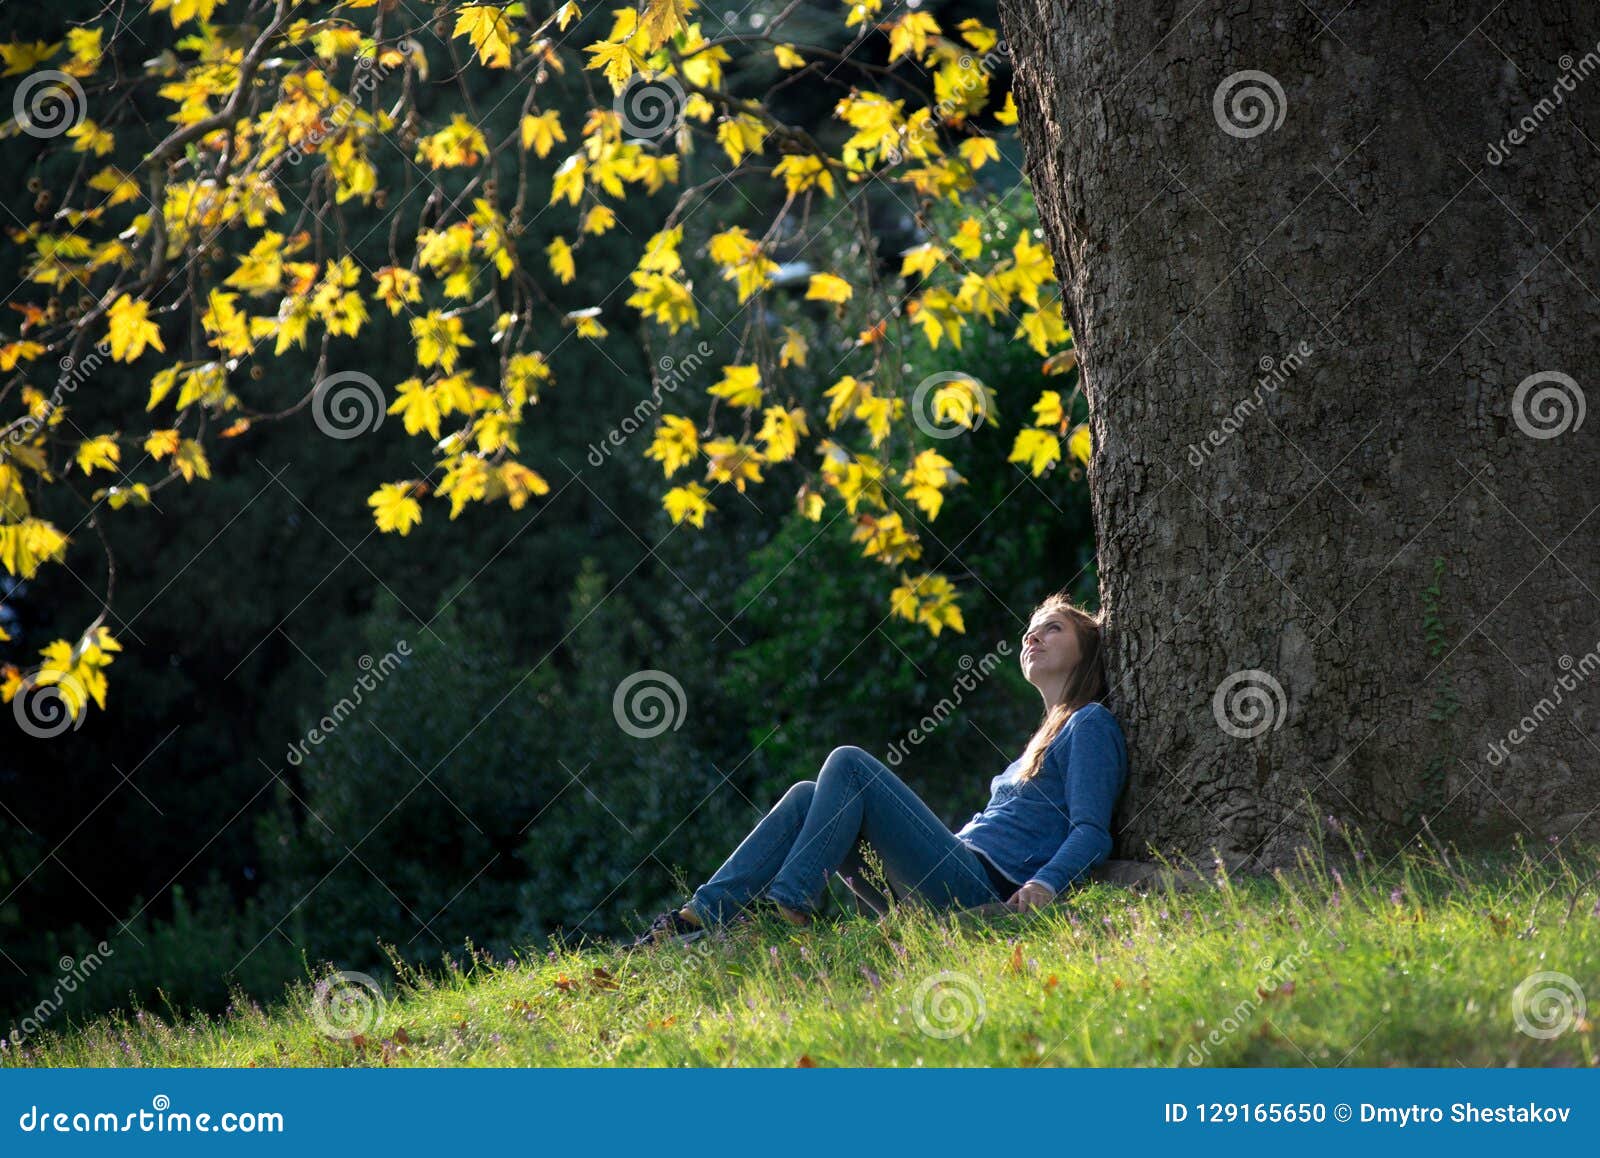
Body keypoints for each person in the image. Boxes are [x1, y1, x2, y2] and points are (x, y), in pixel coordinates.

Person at [629, 590, 1128, 949]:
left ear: (1086, 652)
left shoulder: (1090, 723)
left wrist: (1045, 884)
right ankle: (696, 917)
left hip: (981, 888)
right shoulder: (1035, 744)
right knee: (807, 796)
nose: (1032, 636)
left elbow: (1091, 831)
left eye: (1052, 628)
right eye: (1030, 630)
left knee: (849, 765)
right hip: (939, 878)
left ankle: (789, 907)